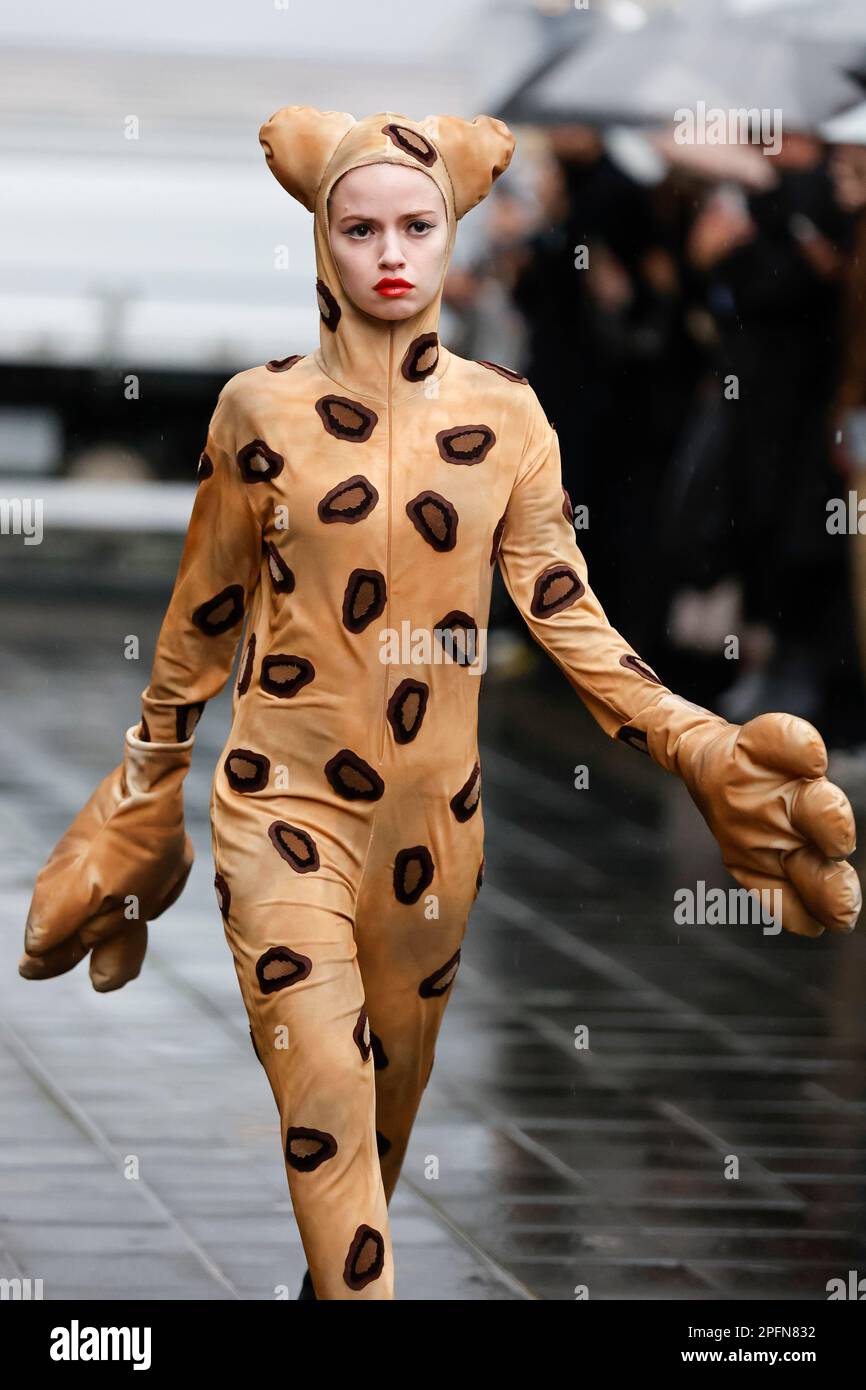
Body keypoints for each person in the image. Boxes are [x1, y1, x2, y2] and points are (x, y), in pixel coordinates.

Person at [18, 107, 862, 1301]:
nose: (390, 253)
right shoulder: (255, 411)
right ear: (321, 239)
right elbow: (200, 618)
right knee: (323, 1088)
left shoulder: (508, 415)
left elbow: (566, 615)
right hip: (278, 809)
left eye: (417, 223)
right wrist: (143, 786)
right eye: (358, 227)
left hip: (433, 836)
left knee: (376, 1123)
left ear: (452, 230)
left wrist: (696, 739)